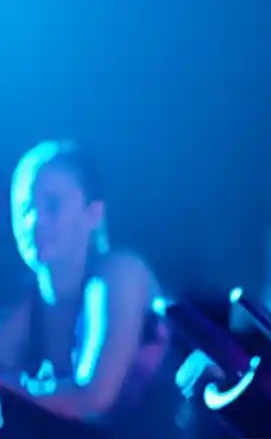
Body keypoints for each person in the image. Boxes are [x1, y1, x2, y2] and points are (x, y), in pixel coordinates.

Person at [0, 140, 176, 437]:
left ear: (93, 214)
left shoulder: (121, 274)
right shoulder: (26, 306)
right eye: (25, 208)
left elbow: (94, 399)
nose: (34, 221)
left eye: (52, 205)